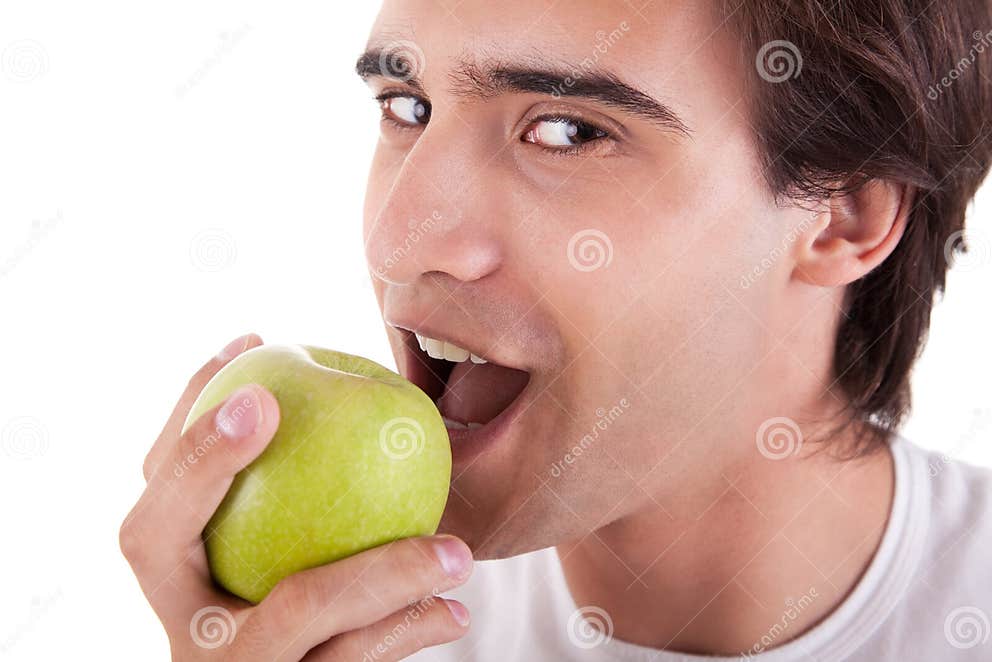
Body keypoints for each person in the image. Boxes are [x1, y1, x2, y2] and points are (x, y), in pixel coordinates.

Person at [121, 1, 992, 659]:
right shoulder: (334, 637)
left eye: (566, 131)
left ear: (844, 218)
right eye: (407, 107)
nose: (399, 241)